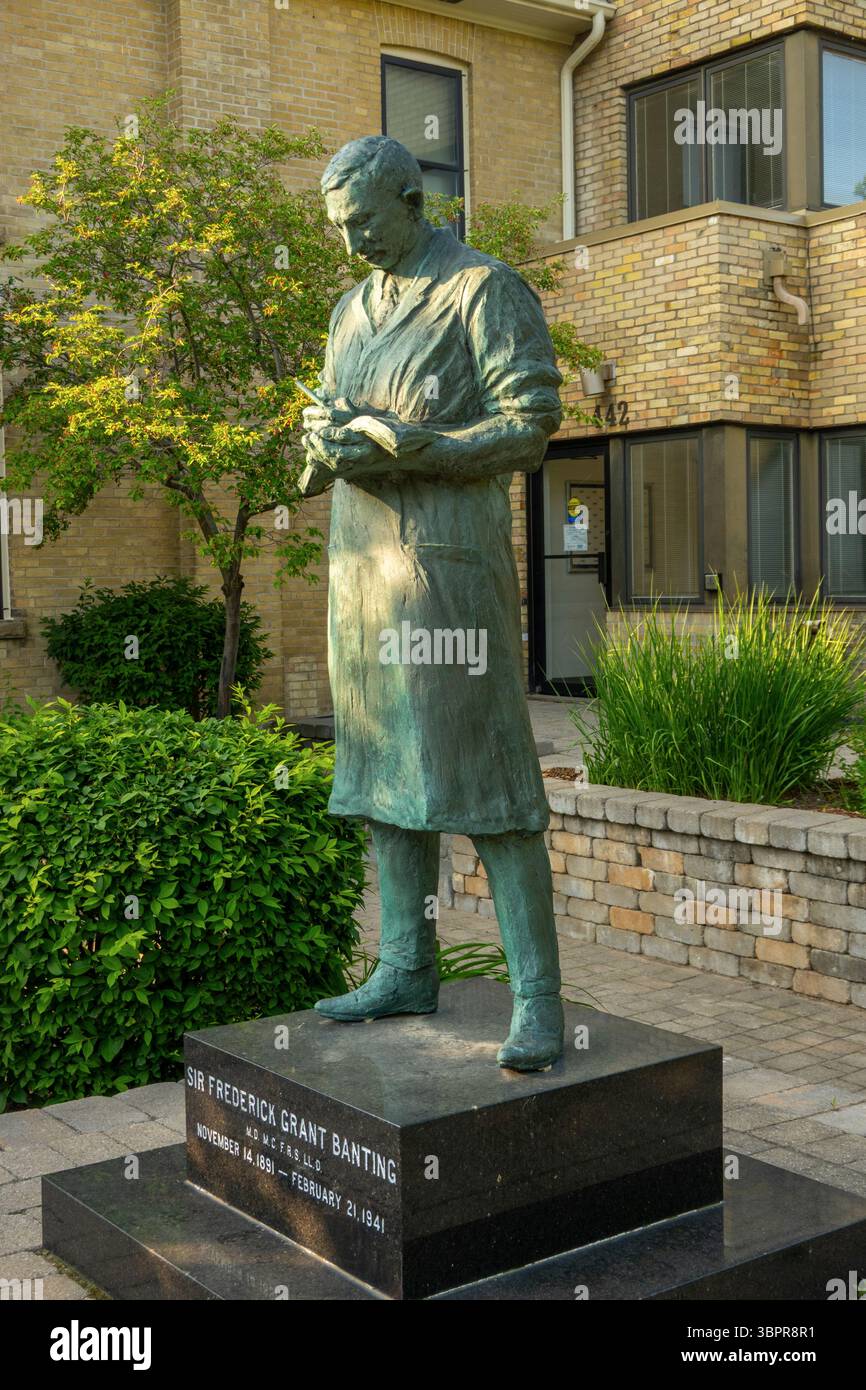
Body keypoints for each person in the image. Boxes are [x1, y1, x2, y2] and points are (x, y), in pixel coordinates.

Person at [301, 135, 565, 1070]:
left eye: (364, 222)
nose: (351, 243)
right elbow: (333, 420)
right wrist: (325, 444)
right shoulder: (349, 309)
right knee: (382, 779)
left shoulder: (481, 290)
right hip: (360, 573)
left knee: (487, 783)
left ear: (414, 201)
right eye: (339, 228)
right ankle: (406, 965)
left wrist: (420, 448)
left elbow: (531, 424)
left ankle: (537, 997)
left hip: (447, 576)